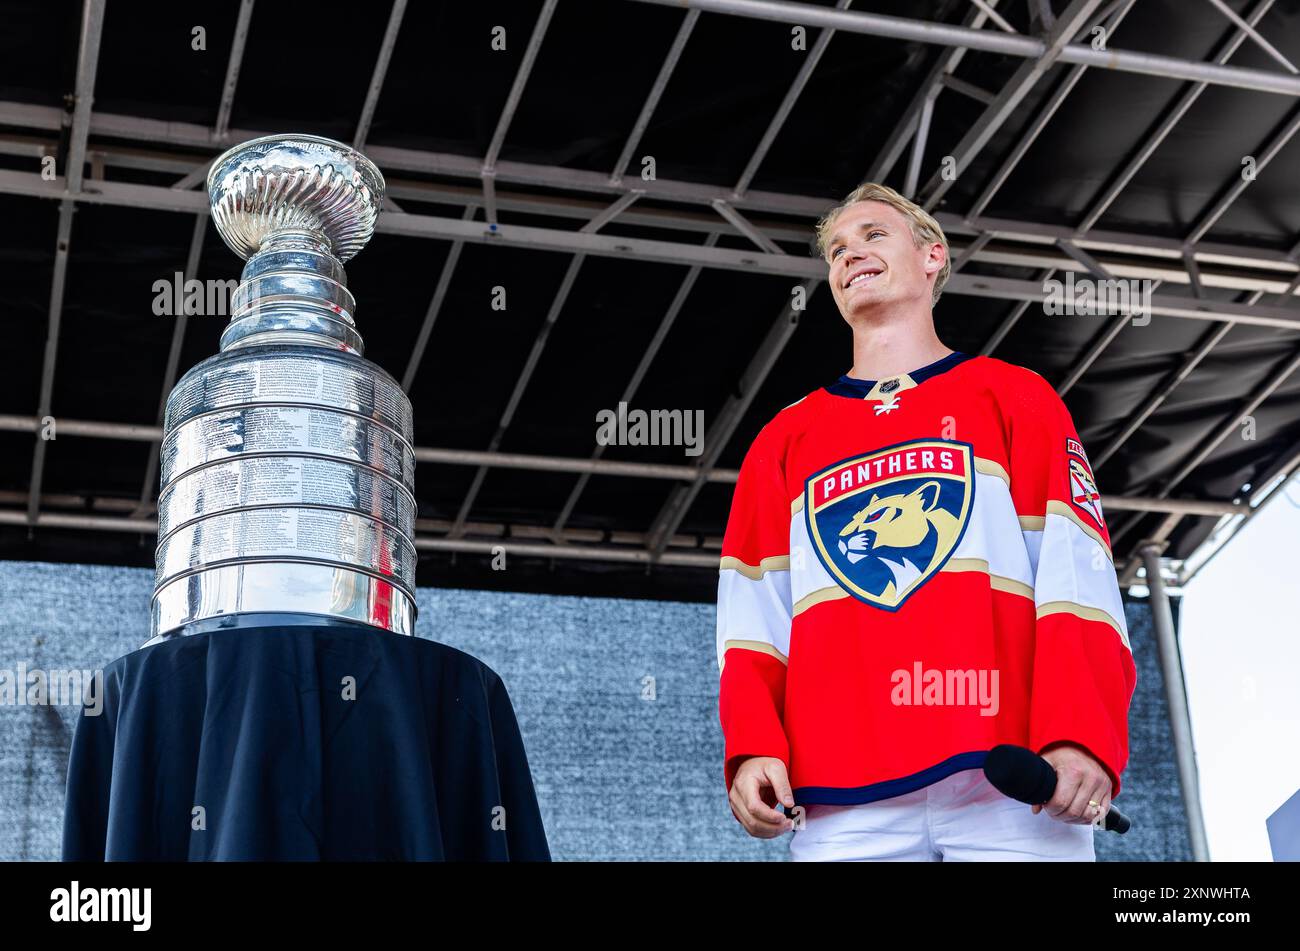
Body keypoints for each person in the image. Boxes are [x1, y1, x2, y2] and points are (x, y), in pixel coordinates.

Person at [716, 183, 1137, 861]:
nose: (850, 253)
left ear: (933, 255)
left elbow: (1076, 579)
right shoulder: (782, 439)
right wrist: (754, 745)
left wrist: (1080, 731)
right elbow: (751, 618)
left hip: (1012, 778)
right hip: (839, 796)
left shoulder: (1016, 396)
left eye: (874, 235)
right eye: (836, 250)